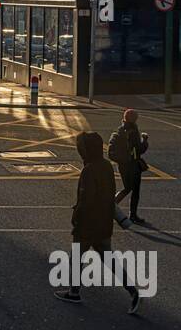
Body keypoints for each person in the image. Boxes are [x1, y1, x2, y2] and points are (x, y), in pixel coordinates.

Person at [55, 131, 140, 313]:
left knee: (76, 259)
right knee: (109, 259)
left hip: (88, 224)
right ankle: (132, 291)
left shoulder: (89, 170)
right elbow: (110, 195)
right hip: (104, 222)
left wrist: (76, 217)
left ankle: (74, 292)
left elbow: (86, 199)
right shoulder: (107, 166)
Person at [109, 109, 150, 225]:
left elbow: (111, 152)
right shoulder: (133, 132)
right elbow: (139, 149)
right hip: (132, 165)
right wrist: (145, 140)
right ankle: (129, 213)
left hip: (124, 165)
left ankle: (113, 206)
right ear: (133, 119)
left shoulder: (120, 131)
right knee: (133, 190)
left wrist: (122, 160)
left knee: (129, 188)